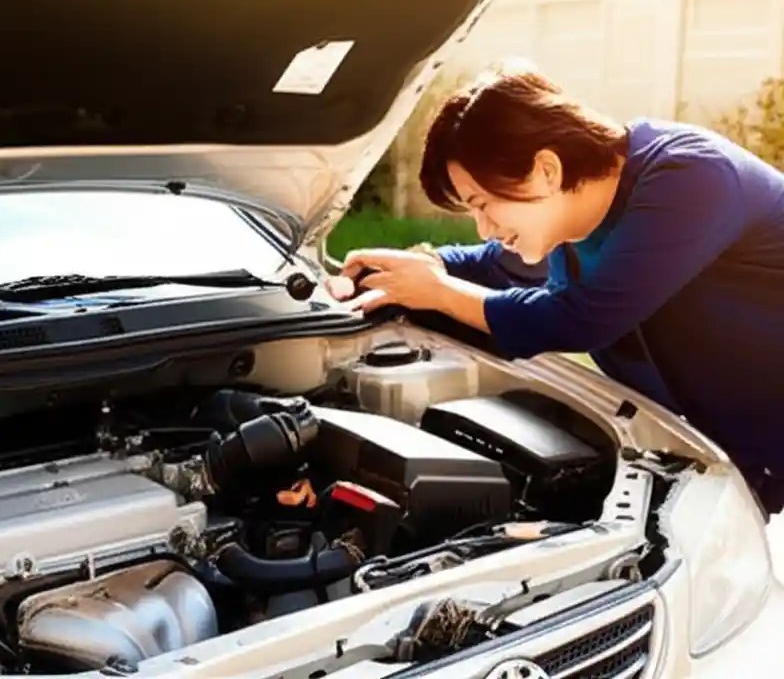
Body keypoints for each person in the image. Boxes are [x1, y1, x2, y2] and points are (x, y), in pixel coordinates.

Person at [327, 60, 784, 512]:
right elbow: (496, 264)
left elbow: (580, 317)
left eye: (483, 204)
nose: (484, 227)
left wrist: (440, 293)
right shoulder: (576, 220)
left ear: (546, 169)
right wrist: (420, 268)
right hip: (739, 456)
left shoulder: (692, 178)